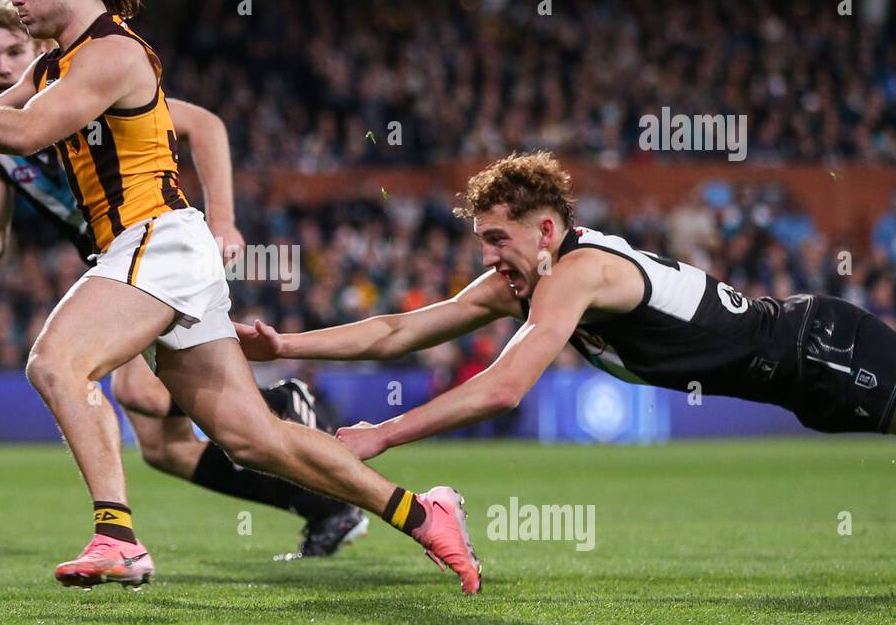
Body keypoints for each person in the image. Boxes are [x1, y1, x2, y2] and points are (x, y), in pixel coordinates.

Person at [0, 0, 480, 594]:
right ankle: (422, 512)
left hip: (159, 239)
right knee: (250, 438)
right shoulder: (55, 66)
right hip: (156, 250)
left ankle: (117, 537)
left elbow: (31, 134)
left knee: (58, 364)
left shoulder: (113, 53)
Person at [0, 0, 366, 558]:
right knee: (162, 449)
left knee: (135, 389)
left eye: (12, 52)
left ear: (37, 48)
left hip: (160, 248)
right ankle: (325, 502)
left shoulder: (89, 87)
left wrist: (224, 220)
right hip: (113, 268)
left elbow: (206, 126)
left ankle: (269, 413)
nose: (0, 67)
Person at [233, 151, 896, 474]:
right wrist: (285, 345)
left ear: (546, 230)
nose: (490, 257)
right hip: (809, 381)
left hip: (828, 352)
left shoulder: (578, 275)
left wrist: (382, 434)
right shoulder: (527, 279)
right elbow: (399, 328)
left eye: (500, 239)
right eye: (483, 242)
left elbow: (504, 388)